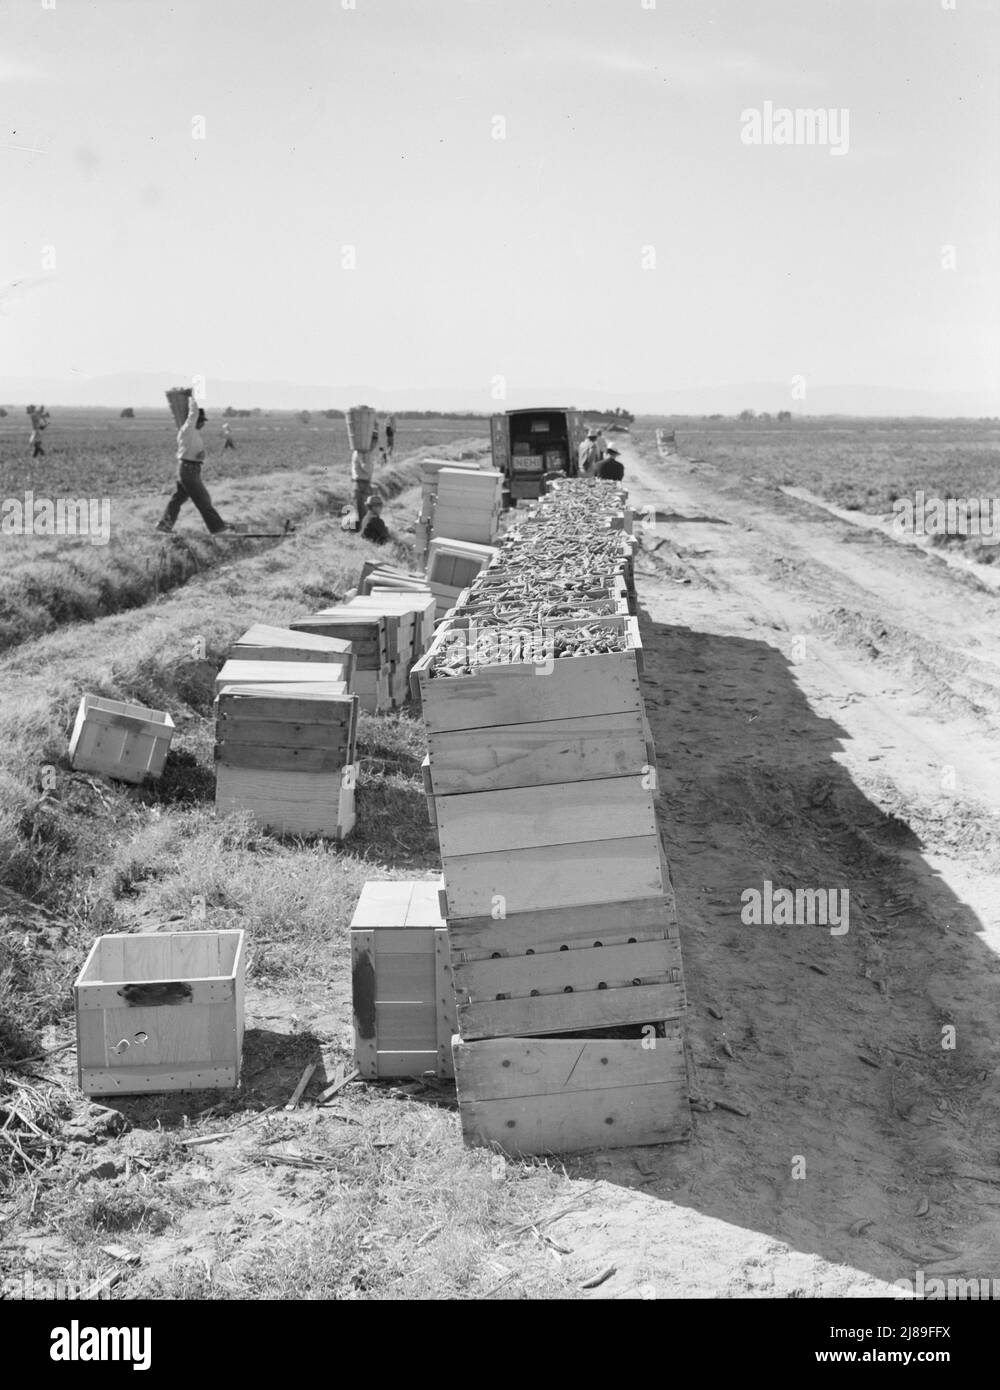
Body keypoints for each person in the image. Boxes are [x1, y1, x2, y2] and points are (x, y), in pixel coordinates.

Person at [156, 393, 230, 534]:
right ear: (197, 420)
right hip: (188, 471)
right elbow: (193, 413)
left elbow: (192, 451)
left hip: (189, 469)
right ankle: (217, 528)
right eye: (202, 420)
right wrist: (191, 396)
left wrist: (200, 456)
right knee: (203, 500)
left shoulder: (192, 433)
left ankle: (164, 524)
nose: (203, 424)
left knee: (178, 498)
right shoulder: (188, 429)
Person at [351, 422, 379, 528]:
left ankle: (364, 532)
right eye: (373, 442)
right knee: (360, 512)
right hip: (359, 484)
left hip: (365, 483)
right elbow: (366, 468)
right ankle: (359, 534)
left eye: (375, 442)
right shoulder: (360, 453)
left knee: (365, 511)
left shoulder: (368, 453)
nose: (374, 445)